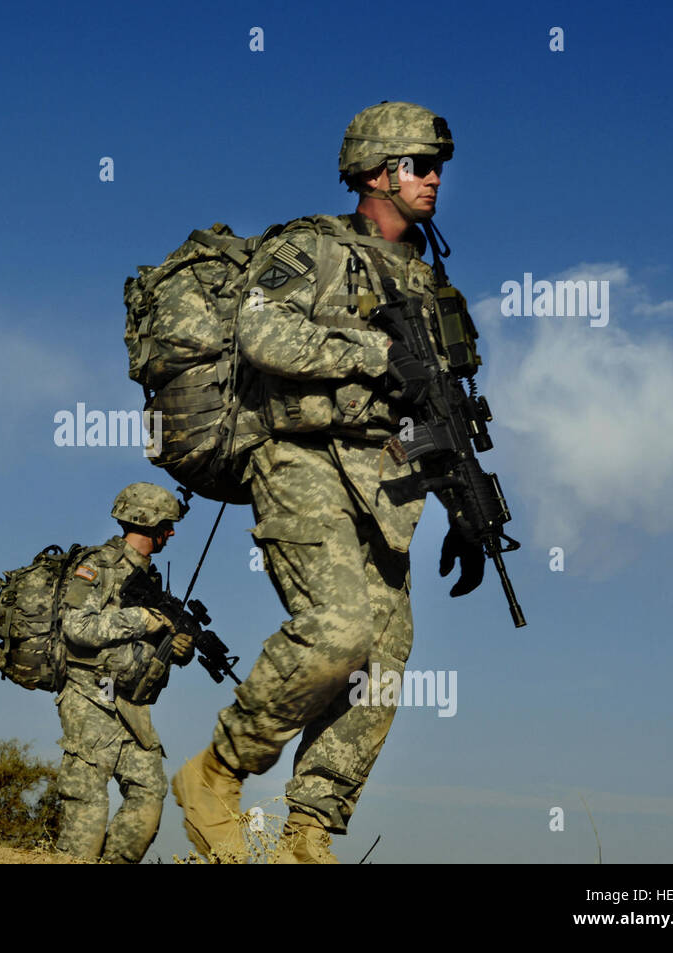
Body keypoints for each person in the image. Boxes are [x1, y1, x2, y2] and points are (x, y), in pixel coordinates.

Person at [172, 102, 484, 863]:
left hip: (390, 480)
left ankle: (307, 830)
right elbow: (262, 332)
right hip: (302, 455)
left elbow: (432, 410)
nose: (434, 177)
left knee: (382, 661)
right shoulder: (309, 244)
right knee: (338, 631)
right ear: (377, 172)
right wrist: (372, 352)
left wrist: (464, 506)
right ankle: (216, 772)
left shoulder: (426, 281)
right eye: (419, 164)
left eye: (437, 164)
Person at [54, 482, 195, 863]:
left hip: (131, 706)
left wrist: (175, 648)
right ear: (147, 522)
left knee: (149, 794)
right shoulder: (99, 564)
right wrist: (143, 619)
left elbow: (140, 645)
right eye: (168, 524)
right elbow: (77, 627)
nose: (172, 532)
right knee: (87, 802)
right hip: (91, 695)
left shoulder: (150, 580)